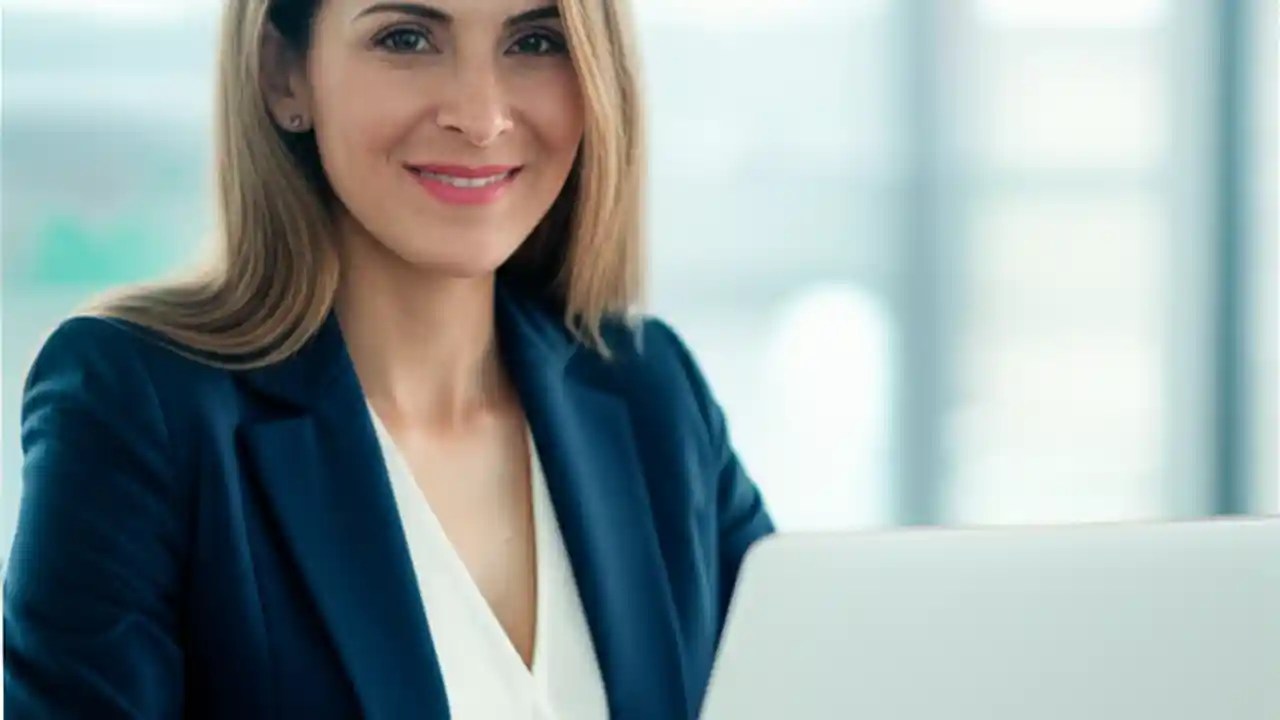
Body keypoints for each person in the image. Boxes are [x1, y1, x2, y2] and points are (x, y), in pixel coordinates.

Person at [3, 0, 775, 718]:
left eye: (535, 41)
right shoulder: (135, 405)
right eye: (405, 38)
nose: (480, 117)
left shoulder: (650, 393)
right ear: (284, 76)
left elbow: (809, 674)